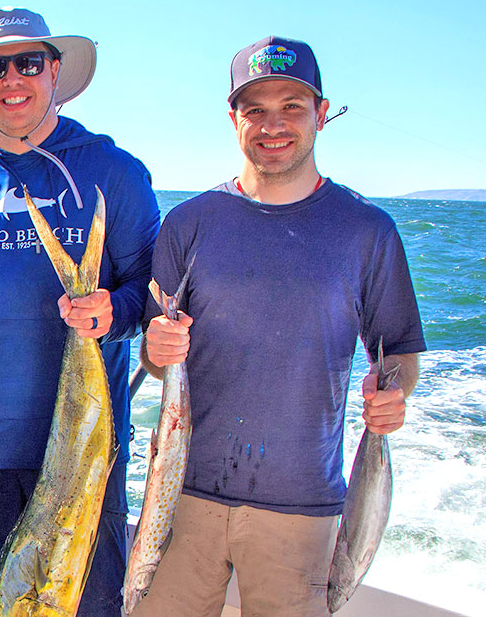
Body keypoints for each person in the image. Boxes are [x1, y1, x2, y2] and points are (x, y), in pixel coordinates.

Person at [134, 37, 424, 616]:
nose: (273, 125)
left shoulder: (368, 231)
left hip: (302, 508)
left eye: (292, 106)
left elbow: (399, 352)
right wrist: (155, 347)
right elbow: (154, 355)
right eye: (255, 109)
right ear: (233, 117)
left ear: (321, 114)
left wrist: (392, 392)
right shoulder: (187, 223)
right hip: (179, 495)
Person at [0, 7, 161, 615]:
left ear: (54, 71)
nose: (11, 79)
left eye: (27, 63)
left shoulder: (115, 172)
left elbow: (150, 295)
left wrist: (111, 310)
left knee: (89, 602)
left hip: (85, 447)